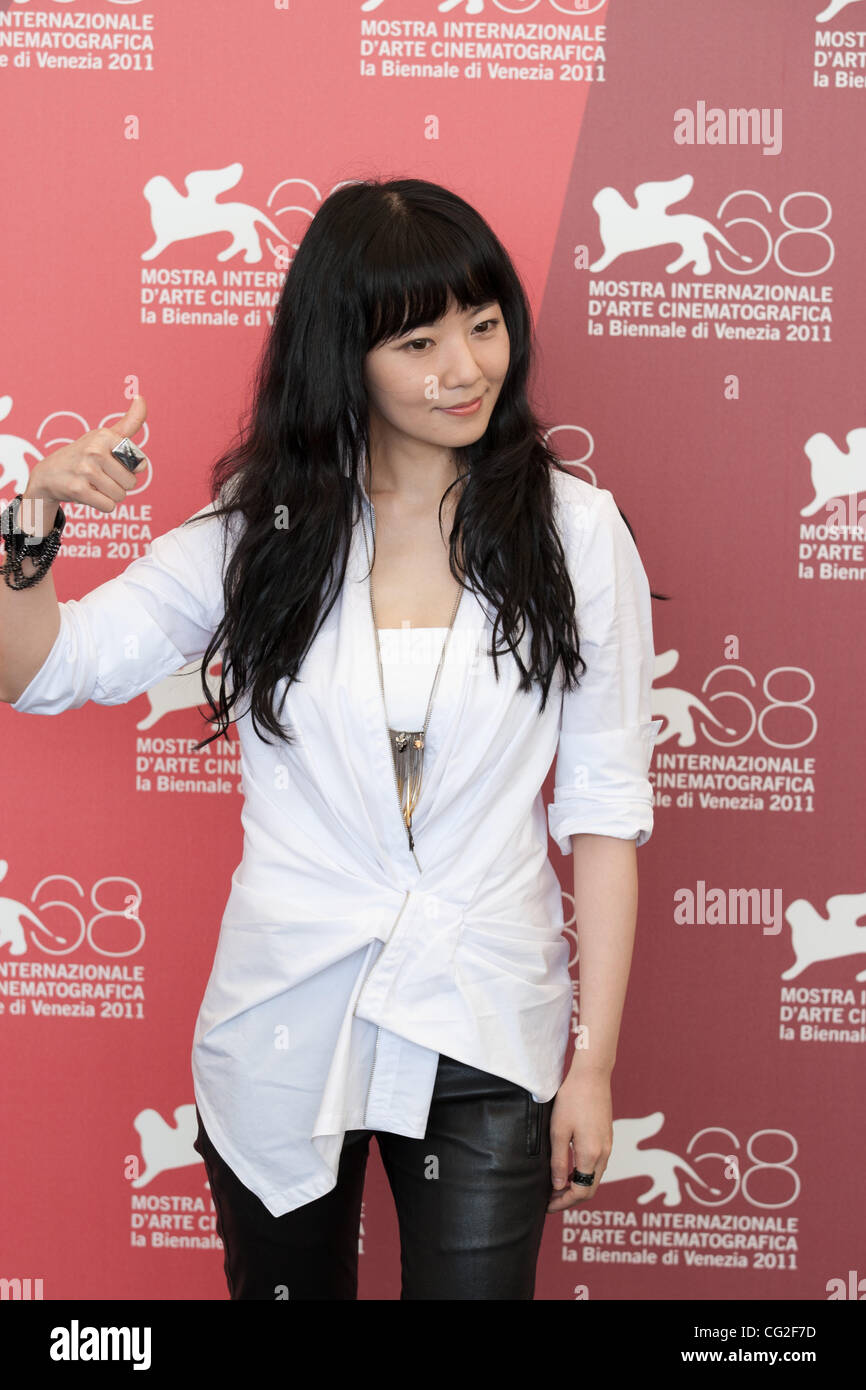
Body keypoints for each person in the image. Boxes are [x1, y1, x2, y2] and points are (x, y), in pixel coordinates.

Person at [0, 176, 663, 1301]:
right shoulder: (260, 532)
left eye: (484, 325)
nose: (463, 367)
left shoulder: (574, 531)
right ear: (341, 353)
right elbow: (46, 670)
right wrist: (29, 534)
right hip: (287, 1009)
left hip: (484, 1013)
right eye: (417, 339)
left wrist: (588, 1065)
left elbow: (602, 809)